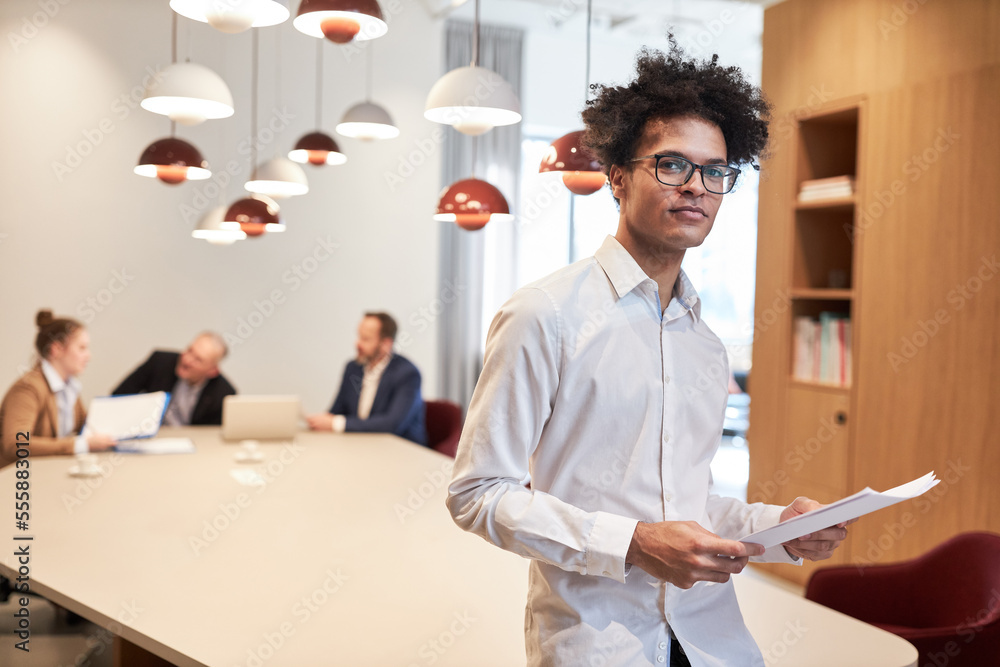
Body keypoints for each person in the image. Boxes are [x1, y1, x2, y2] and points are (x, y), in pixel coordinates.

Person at [447, 40, 852, 667]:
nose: (696, 187)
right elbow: (478, 493)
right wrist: (633, 544)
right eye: (672, 164)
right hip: (598, 642)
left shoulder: (704, 344)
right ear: (617, 176)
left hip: (710, 642)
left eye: (715, 171)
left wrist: (781, 528)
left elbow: (687, 505)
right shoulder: (543, 314)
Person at [0, 310, 116, 467]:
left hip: (45, 470)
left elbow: (85, 426)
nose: (88, 356)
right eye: (82, 348)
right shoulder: (28, 388)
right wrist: (80, 444)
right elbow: (16, 444)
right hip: (18, 477)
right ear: (56, 349)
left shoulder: (69, 386)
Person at [306, 312, 427, 446]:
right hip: (362, 445)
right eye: (359, 336)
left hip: (401, 450)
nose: (357, 343)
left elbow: (392, 424)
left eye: (366, 339)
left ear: (386, 344)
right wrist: (320, 421)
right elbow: (336, 412)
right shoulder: (353, 368)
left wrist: (337, 424)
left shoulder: (407, 373)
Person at [112, 332, 235, 426]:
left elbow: (212, 434)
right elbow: (118, 396)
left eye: (198, 359)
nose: (187, 360)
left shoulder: (224, 394)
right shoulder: (159, 362)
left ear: (212, 371)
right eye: (189, 350)